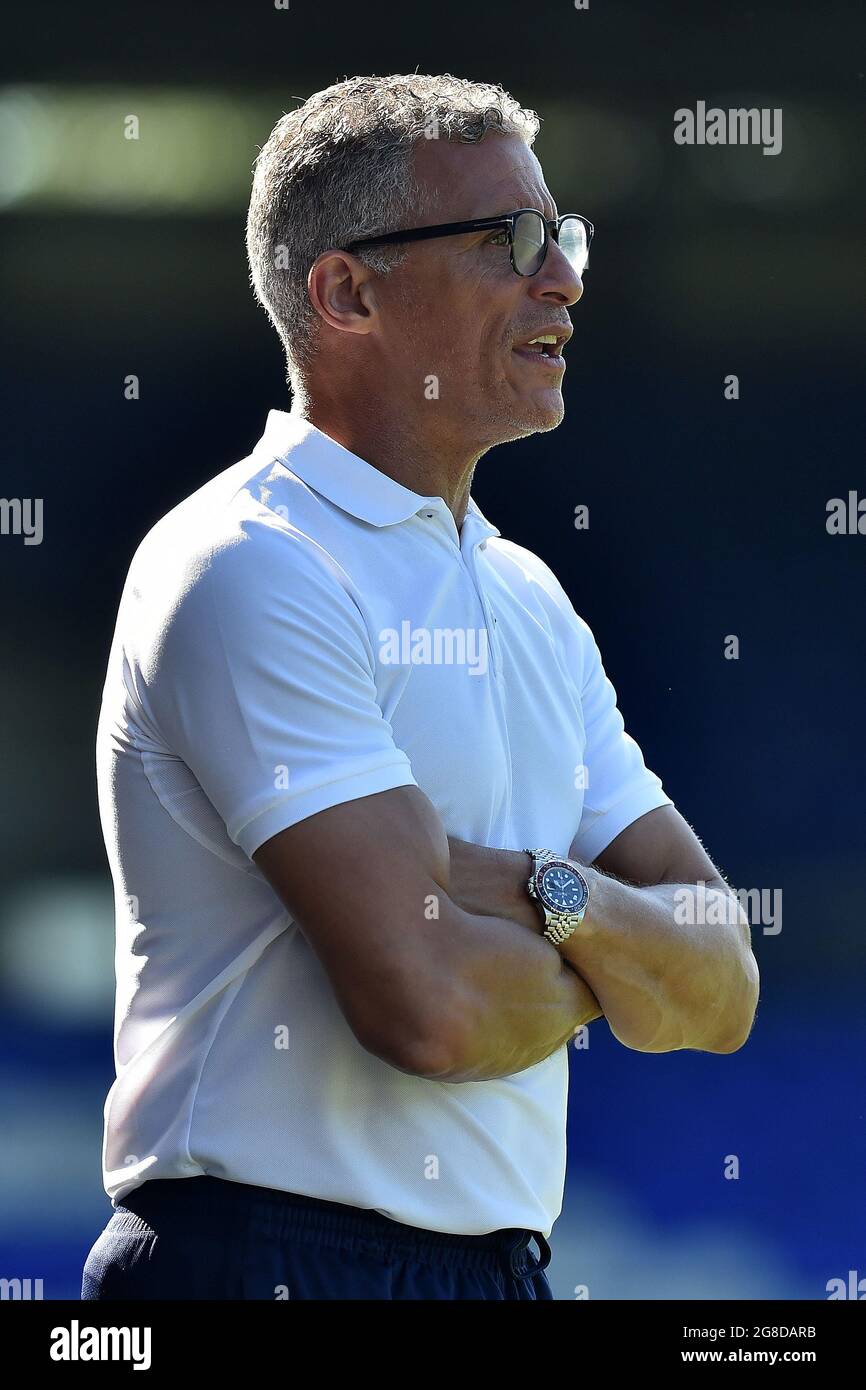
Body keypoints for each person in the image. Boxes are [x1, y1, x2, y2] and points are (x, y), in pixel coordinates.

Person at [82, 73, 759, 1302]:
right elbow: (431, 1009)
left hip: (500, 1271)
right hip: (258, 1262)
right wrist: (621, 955)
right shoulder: (245, 565)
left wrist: (545, 894)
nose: (560, 276)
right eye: (508, 240)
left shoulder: (529, 599)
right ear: (345, 292)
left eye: (561, 236)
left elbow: (722, 987)